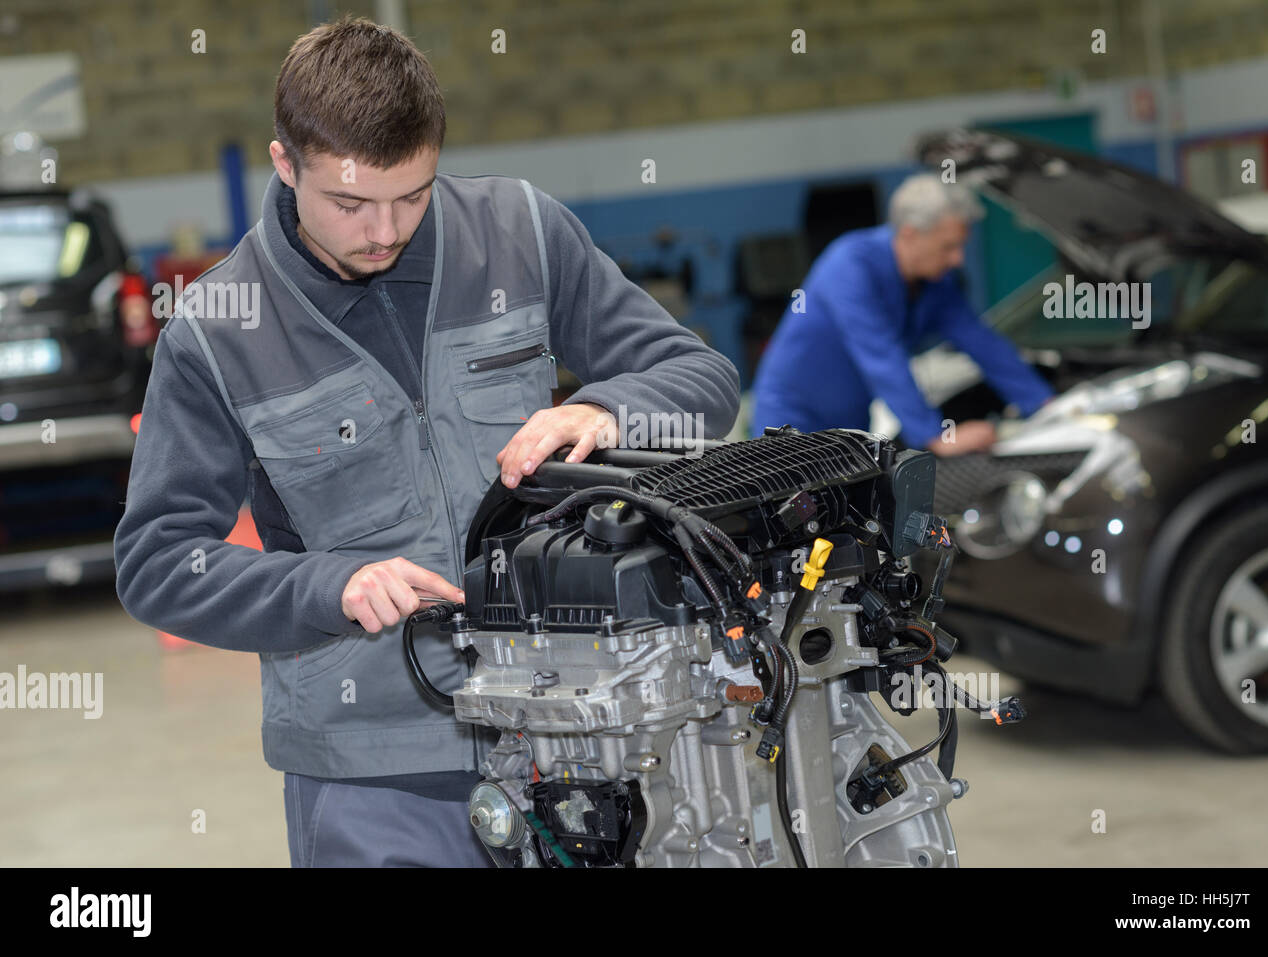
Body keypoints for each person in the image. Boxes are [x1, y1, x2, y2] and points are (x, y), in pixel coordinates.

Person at [113, 16, 739, 867]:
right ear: (285, 164)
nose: (384, 230)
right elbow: (157, 562)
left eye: (412, 195)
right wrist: (328, 585)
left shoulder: (519, 231)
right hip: (372, 780)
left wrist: (609, 411)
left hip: (570, 742)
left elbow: (701, 379)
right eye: (349, 202)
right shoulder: (219, 334)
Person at [749, 173, 1053, 455]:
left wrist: (1044, 404)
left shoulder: (937, 282)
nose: (958, 259)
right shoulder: (849, 265)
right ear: (910, 234)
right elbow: (881, 356)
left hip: (850, 424)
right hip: (789, 421)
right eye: (948, 247)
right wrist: (935, 437)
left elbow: (980, 341)